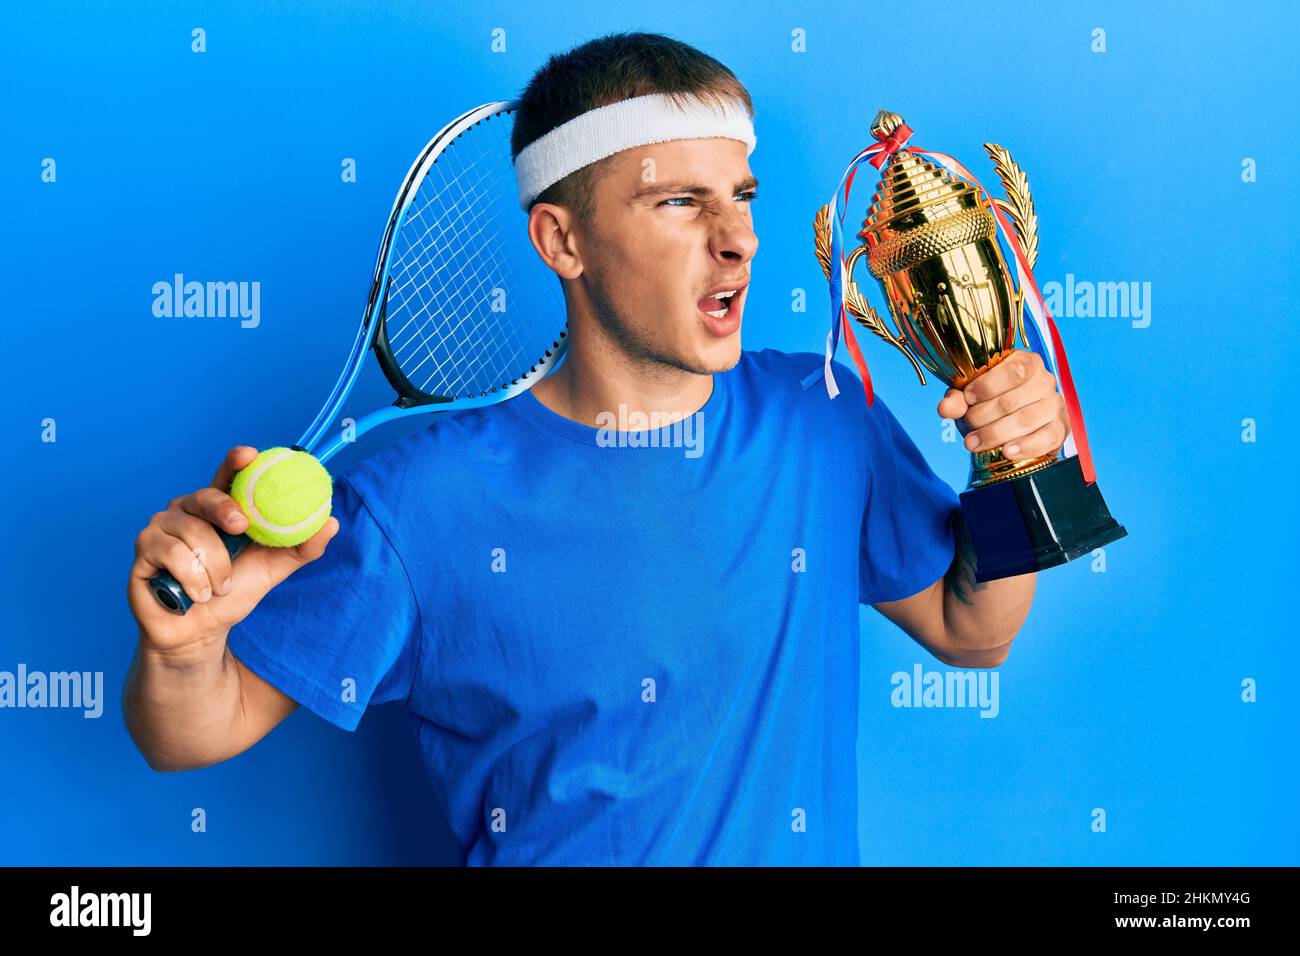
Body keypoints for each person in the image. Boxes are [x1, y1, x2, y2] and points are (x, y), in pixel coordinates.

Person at [123, 31, 1071, 865]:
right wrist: (184, 649)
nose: (738, 238)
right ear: (562, 242)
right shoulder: (420, 500)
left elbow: (973, 631)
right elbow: (199, 731)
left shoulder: (821, 415)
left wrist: (1011, 467)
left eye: (741, 195)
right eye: (679, 204)